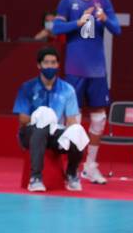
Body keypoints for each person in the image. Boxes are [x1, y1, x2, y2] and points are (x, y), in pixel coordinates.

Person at [50, 0, 121, 184]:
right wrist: (76, 23)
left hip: (97, 69)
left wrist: (104, 19)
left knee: (99, 118)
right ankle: (73, 166)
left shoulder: (104, 1)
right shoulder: (68, 0)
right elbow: (55, 28)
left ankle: (91, 165)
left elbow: (117, 30)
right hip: (75, 68)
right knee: (75, 117)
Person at [14, 47, 86, 192]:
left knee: (78, 132)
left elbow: (71, 120)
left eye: (53, 63)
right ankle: (35, 178)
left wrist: (69, 135)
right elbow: (22, 119)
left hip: (55, 134)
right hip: (30, 132)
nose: (50, 66)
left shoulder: (67, 89)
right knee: (41, 128)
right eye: (46, 63)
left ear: (58, 65)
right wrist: (40, 117)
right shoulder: (27, 88)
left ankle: (71, 173)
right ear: (39, 65)